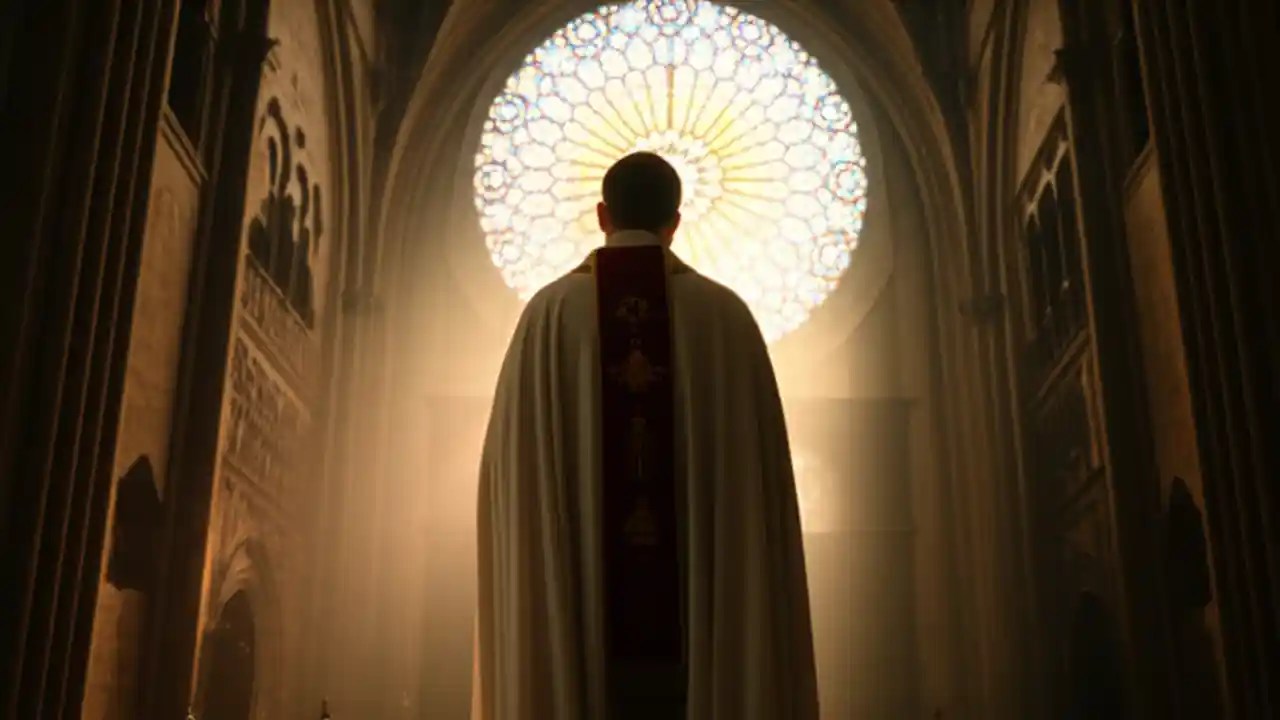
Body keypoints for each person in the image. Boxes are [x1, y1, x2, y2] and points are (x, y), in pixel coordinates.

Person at [473, 152, 818, 719]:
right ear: (675, 220)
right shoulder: (725, 319)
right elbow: (760, 495)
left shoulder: (548, 317)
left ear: (602, 214)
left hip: (580, 640)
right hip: (700, 639)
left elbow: (510, 485)